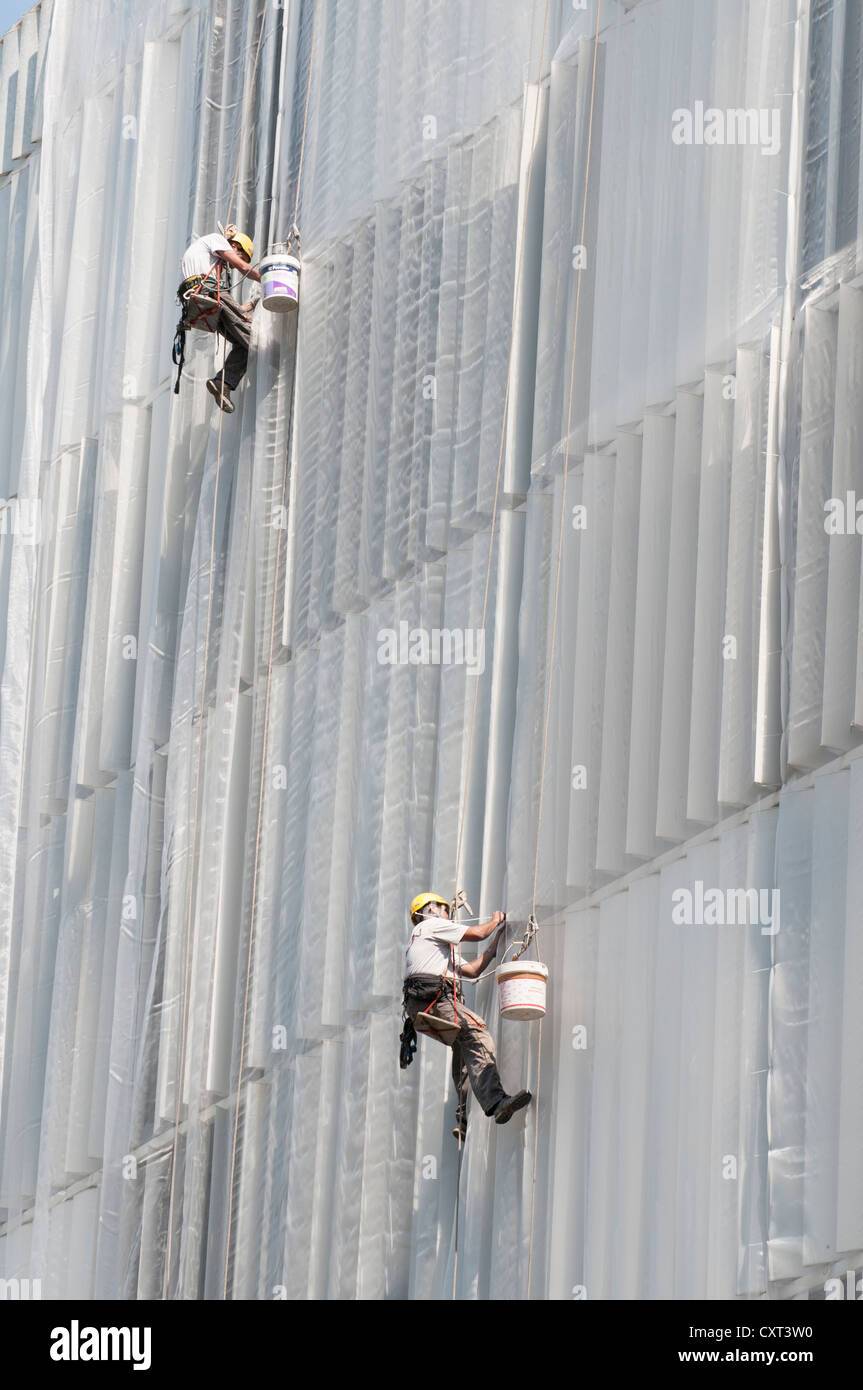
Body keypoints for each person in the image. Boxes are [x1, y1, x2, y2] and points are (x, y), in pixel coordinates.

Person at [401, 892, 532, 1141]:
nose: (447, 914)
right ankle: (496, 1102)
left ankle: (462, 1117)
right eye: (443, 909)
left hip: (422, 1006)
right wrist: (495, 922)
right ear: (430, 910)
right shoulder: (431, 925)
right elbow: (477, 934)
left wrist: (495, 945)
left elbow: (472, 971)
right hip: (436, 1001)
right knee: (477, 1032)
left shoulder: (428, 946)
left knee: (463, 1049)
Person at [175, 225, 262, 413]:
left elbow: (233, 310)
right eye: (242, 255)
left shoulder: (207, 255)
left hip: (199, 301)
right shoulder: (217, 240)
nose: (234, 264)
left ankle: (223, 384)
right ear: (235, 246)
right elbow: (243, 267)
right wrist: (268, 279)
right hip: (207, 292)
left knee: (244, 344)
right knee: (256, 339)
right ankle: (275, 357)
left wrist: (251, 306)